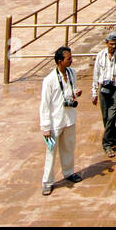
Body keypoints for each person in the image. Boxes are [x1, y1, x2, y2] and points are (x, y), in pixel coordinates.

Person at [40, 46, 83, 196]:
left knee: (68, 147)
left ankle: (69, 172)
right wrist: (45, 127)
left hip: (69, 118)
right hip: (55, 121)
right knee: (51, 152)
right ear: (60, 61)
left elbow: (71, 90)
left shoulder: (72, 73)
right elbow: (45, 105)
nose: (71, 61)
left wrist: (75, 93)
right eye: (68, 59)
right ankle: (48, 181)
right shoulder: (49, 80)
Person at [90, 31, 116, 157]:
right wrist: (94, 93)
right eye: (111, 44)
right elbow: (96, 75)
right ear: (106, 43)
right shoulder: (100, 56)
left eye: (115, 44)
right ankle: (114, 138)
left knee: (112, 116)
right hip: (103, 89)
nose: (113, 46)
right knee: (106, 117)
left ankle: (106, 144)